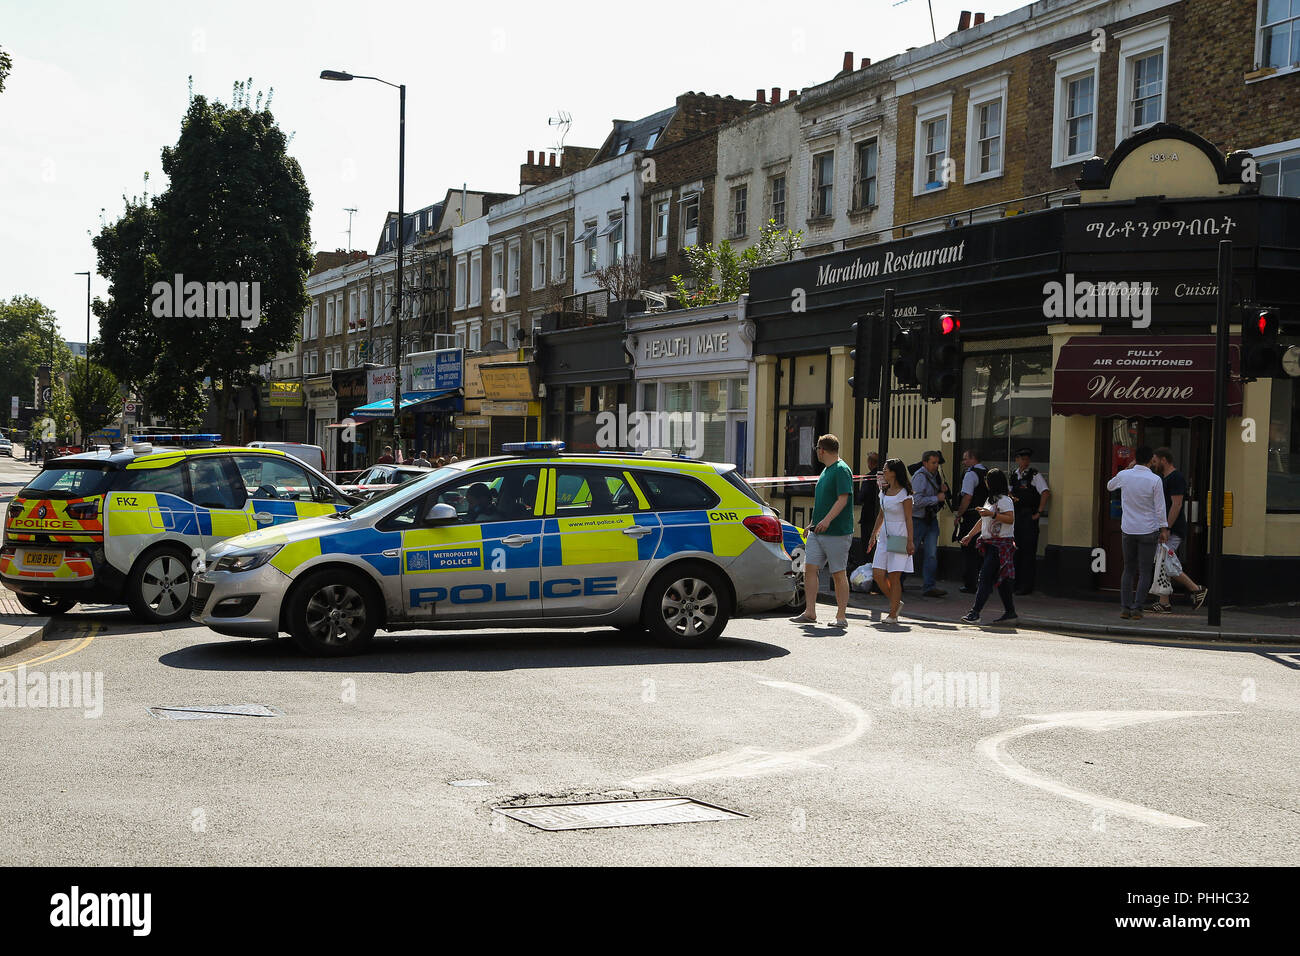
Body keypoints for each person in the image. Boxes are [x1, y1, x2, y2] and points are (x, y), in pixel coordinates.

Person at [791, 434, 854, 628]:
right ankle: (810, 612)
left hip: (837, 532)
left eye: (817, 448)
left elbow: (842, 499)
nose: (816, 451)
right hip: (818, 532)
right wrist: (812, 523)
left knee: (838, 573)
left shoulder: (842, 470)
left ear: (822, 450)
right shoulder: (826, 470)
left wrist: (826, 521)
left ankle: (841, 616)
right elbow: (823, 502)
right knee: (810, 569)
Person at [1106, 445, 1169, 620]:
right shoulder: (1155, 480)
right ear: (1150, 460)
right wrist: (1164, 528)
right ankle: (1137, 609)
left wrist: (1127, 468)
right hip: (1148, 530)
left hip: (1128, 529)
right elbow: (1160, 507)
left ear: (1135, 458)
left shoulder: (1125, 476)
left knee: (1128, 569)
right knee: (1145, 571)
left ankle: (1125, 608)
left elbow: (1110, 486)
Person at [1150, 447, 1208, 613]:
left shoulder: (1176, 478)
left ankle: (1196, 589)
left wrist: (1166, 528)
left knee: (1166, 563)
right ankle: (1164, 603)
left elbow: (1177, 505)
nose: (1154, 465)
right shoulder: (1164, 478)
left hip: (1172, 529)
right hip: (1167, 528)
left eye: (1155, 461)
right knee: (1163, 563)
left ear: (1164, 460)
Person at [959, 468, 1018, 625]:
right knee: (1002, 580)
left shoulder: (1005, 500)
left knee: (985, 577)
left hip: (1000, 545)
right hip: (991, 544)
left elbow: (1010, 519)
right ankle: (1010, 612)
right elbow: (983, 521)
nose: (985, 481)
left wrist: (992, 514)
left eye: (987, 479)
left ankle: (975, 612)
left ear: (993, 482)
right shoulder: (991, 499)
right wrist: (970, 536)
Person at [868, 458, 914, 624]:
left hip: (900, 537)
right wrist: (874, 534)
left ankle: (893, 614)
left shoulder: (905, 494)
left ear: (894, 472)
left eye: (886, 469)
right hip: (884, 538)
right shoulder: (884, 491)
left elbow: (909, 519)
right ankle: (895, 601)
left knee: (894, 577)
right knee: (877, 574)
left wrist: (910, 541)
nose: (883, 472)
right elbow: (881, 514)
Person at [1009, 447, 1050, 595]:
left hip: (1028, 517)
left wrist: (1039, 512)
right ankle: (1015, 584)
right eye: (1022, 458)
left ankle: (1026, 586)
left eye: (1027, 458)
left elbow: (1045, 492)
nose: (1025, 461)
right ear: (1017, 460)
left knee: (1028, 552)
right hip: (1016, 517)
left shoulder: (1034, 475)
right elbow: (1009, 494)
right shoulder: (1014, 475)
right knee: (1016, 551)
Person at [909, 451, 948, 597]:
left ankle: (929, 586)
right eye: (933, 462)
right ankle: (897, 582)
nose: (936, 465)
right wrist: (936, 498)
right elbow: (916, 501)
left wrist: (941, 491)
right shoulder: (920, 477)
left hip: (930, 519)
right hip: (918, 520)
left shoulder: (934, 476)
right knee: (910, 552)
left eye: (937, 462)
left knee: (931, 554)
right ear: (925, 463)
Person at [953, 448, 989, 594]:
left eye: (966, 458)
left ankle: (970, 584)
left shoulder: (971, 474)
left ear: (973, 459)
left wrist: (959, 515)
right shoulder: (987, 472)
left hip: (972, 515)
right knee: (982, 551)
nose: (963, 461)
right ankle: (984, 582)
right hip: (987, 515)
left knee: (969, 550)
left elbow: (967, 497)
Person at [856, 451, 883, 594]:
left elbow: (861, 497)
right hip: (879, 518)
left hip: (868, 517)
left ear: (871, 463)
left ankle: (868, 579)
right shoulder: (884, 478)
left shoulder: (869, 478)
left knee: (867, 550)